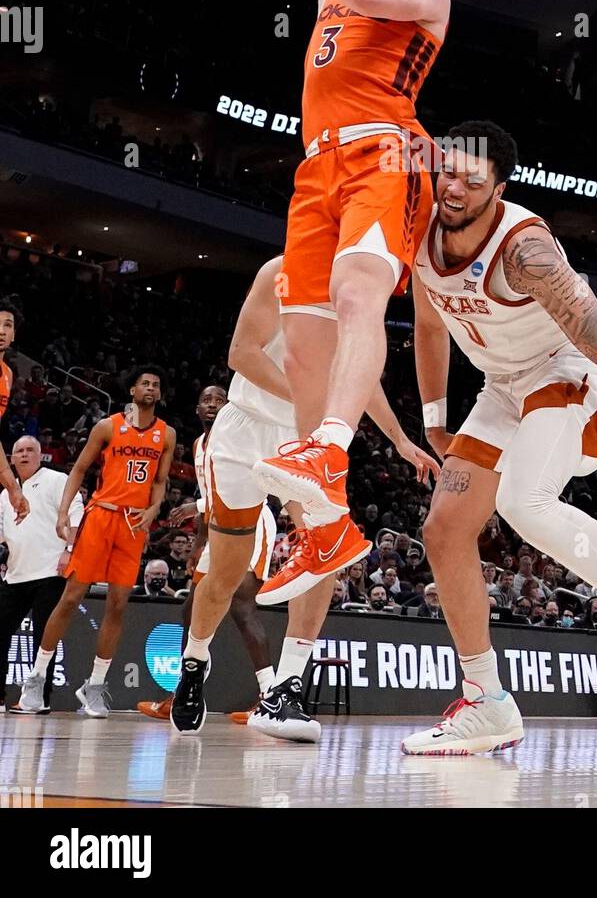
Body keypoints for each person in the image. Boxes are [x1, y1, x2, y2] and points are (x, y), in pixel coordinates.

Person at [401, 123, 597, 755]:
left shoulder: (526, 251)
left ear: (498, 187)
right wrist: (435, 419)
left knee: (525, 503)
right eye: (450, 172)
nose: (457, 187)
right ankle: (487, 701)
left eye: (474, 179)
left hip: (562, 370)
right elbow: (429, 324)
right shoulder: (416, 230)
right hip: (501, 385)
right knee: (443, 529)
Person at [229, 0, 457, 575]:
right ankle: (325, 529)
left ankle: (327, 451)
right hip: (315, 170)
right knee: (301, 349)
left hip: (382, 157)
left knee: (361, 297)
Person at [170, 257, 437, 736]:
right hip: (245, 428)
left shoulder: (365, 281)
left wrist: (399, 439)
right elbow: (242, 354)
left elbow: (362, 376)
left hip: (307, 435)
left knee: (325, 550)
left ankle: (286, 688)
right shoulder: (280, 268)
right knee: (226, 569)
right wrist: (312, 397)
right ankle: (194, 660)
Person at [18, 367, 175, 718]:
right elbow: (79, 470)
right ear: (132, 389)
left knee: (118, 604)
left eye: (156, 384)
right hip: (102, 515)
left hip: (133, 523)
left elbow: (161, 480)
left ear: (159, 394)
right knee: (72, 595)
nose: (150, 387)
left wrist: (154, 509)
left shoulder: (167, 435)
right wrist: (63, 513)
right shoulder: (107, 426)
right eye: (145, 383)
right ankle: (36, 677)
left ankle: (95, 684)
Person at [139, 385, 280, 724]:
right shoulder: (200, 445)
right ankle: (183, 691)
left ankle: (271, 697)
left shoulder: (240, 436)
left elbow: (251, 485)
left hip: (251, 520)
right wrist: (200, 543)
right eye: (207, 400)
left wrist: (196, 505)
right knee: (192, 611)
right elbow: (211, 497)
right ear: (197, 409)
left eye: (220, 400)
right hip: (218, 528)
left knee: (241, 607)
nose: (213, 404)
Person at [0, 435, 84, 713]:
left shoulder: (56, 480)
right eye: (18, 451)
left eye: (29, 450)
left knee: (43, 638)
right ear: (10, 459)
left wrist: (69, 549)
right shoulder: (6, 493)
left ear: (40, 455)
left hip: (50, 571)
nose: (24, 455)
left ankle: (40, 699)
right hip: (15, 574)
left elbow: (77, 513)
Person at [0, 300, 30, 522]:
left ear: (14, 336)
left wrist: (13, 488)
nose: (1, 330)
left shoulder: (8, 374)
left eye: (8, 325)